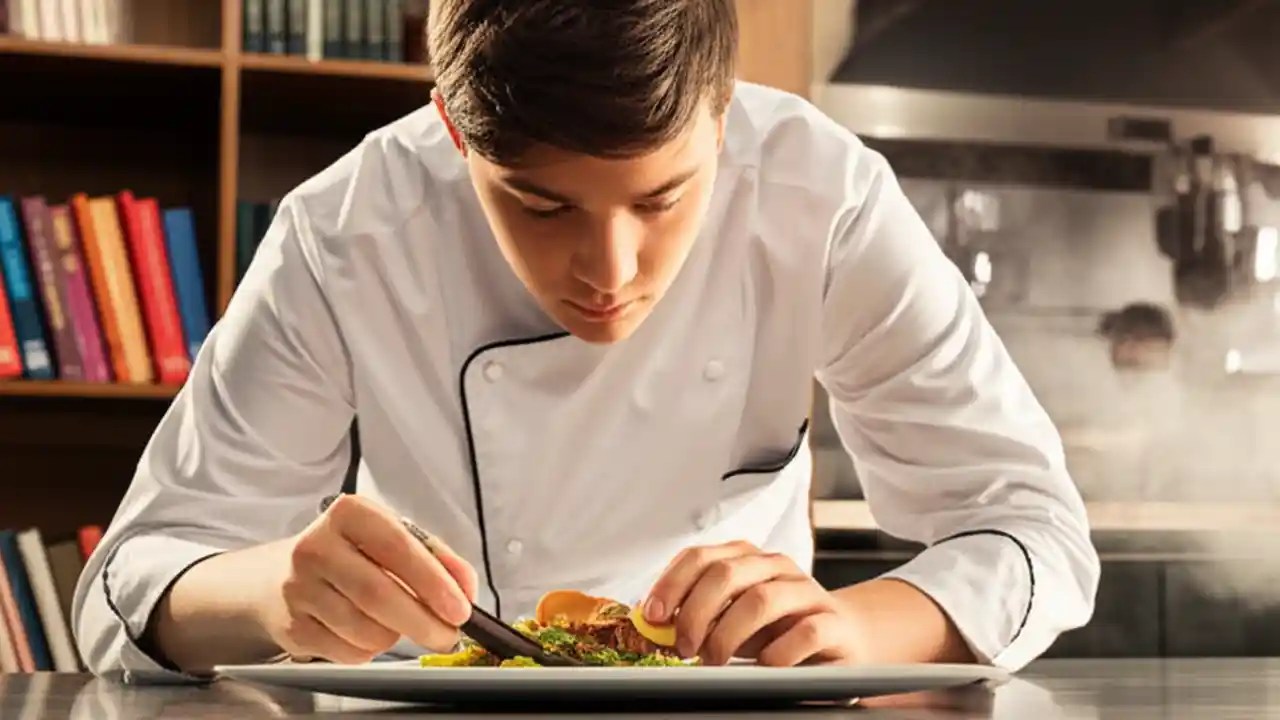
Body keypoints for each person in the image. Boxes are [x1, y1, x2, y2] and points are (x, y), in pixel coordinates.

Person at [71, 0, 1098, 683]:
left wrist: (859, 627)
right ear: (451, 128)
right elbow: (131, 585)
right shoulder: (346, 232)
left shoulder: (819, 194)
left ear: (721, 113)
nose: (609, 274)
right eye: (540, 206)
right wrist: (276, 596)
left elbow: (1032, 530)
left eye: (662, 198)